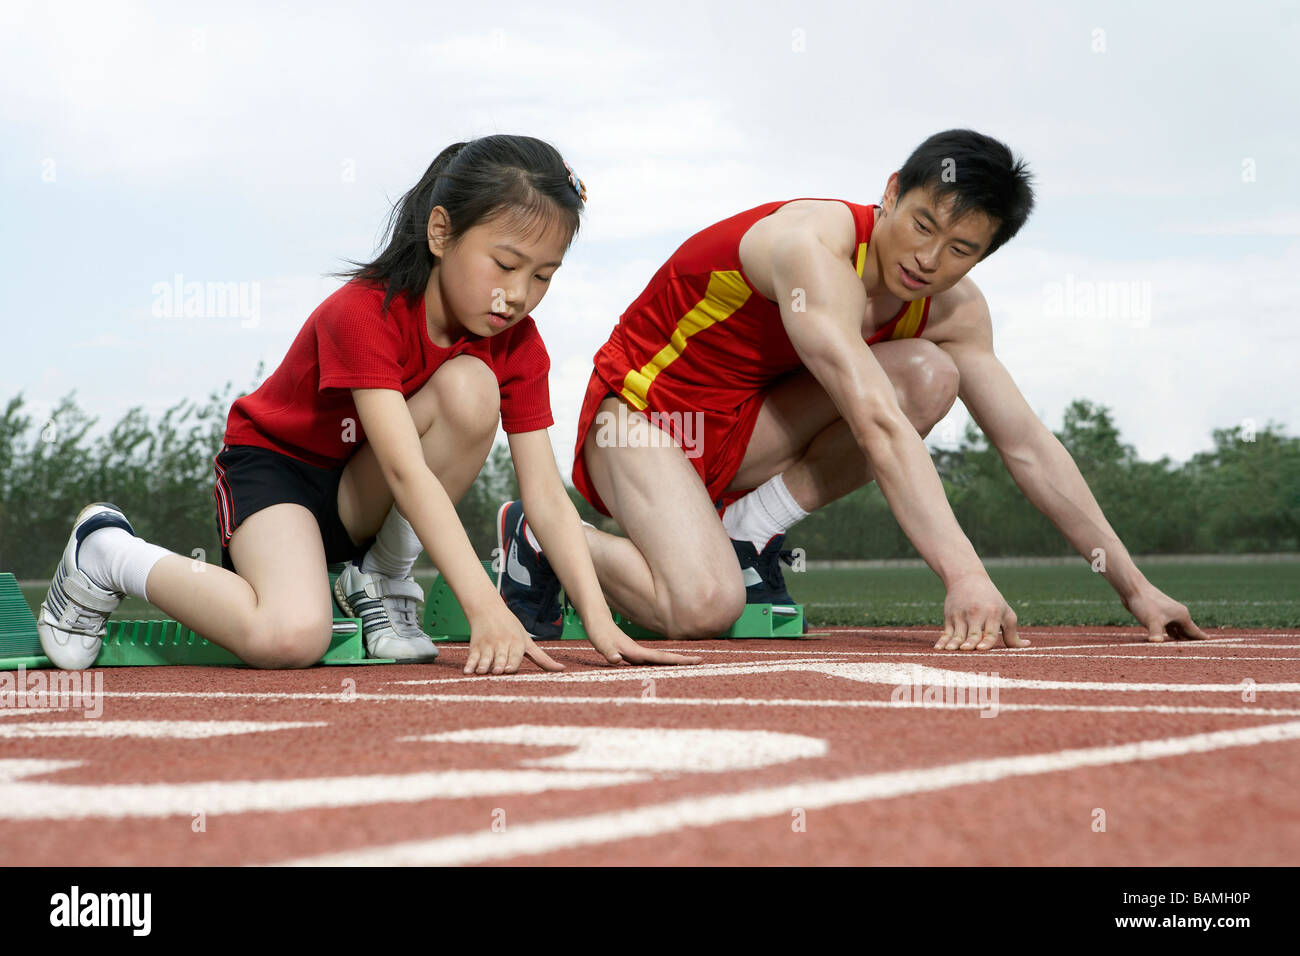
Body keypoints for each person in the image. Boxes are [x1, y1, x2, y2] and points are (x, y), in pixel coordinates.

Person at [500, 129, 1207, 650]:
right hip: (645, 421)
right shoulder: (813, 248)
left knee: (931, 374)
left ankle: (747, 531)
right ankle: (541, 534)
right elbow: (872, 420)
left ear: (986, 255)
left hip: (745, 434)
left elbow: (1027, 446)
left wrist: (1136, 588)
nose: (928, 259)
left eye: (961, 250)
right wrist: (963, 575)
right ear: (892, 191)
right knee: (702, 608)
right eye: (923, 224)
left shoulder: (956, 311)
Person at [36, 134, 700, 675]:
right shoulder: (362, 313)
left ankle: (380, 583)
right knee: (289, 638)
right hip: (277, 477)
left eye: (543, 276)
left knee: (470, 388)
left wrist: (600, 618)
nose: (519, 293)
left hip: (363, 494)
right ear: (441, 233)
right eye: (505, 263)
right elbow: (408, 471)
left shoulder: (517, 347)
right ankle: (105, 552)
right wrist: (482, 605)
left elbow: (545, 497)